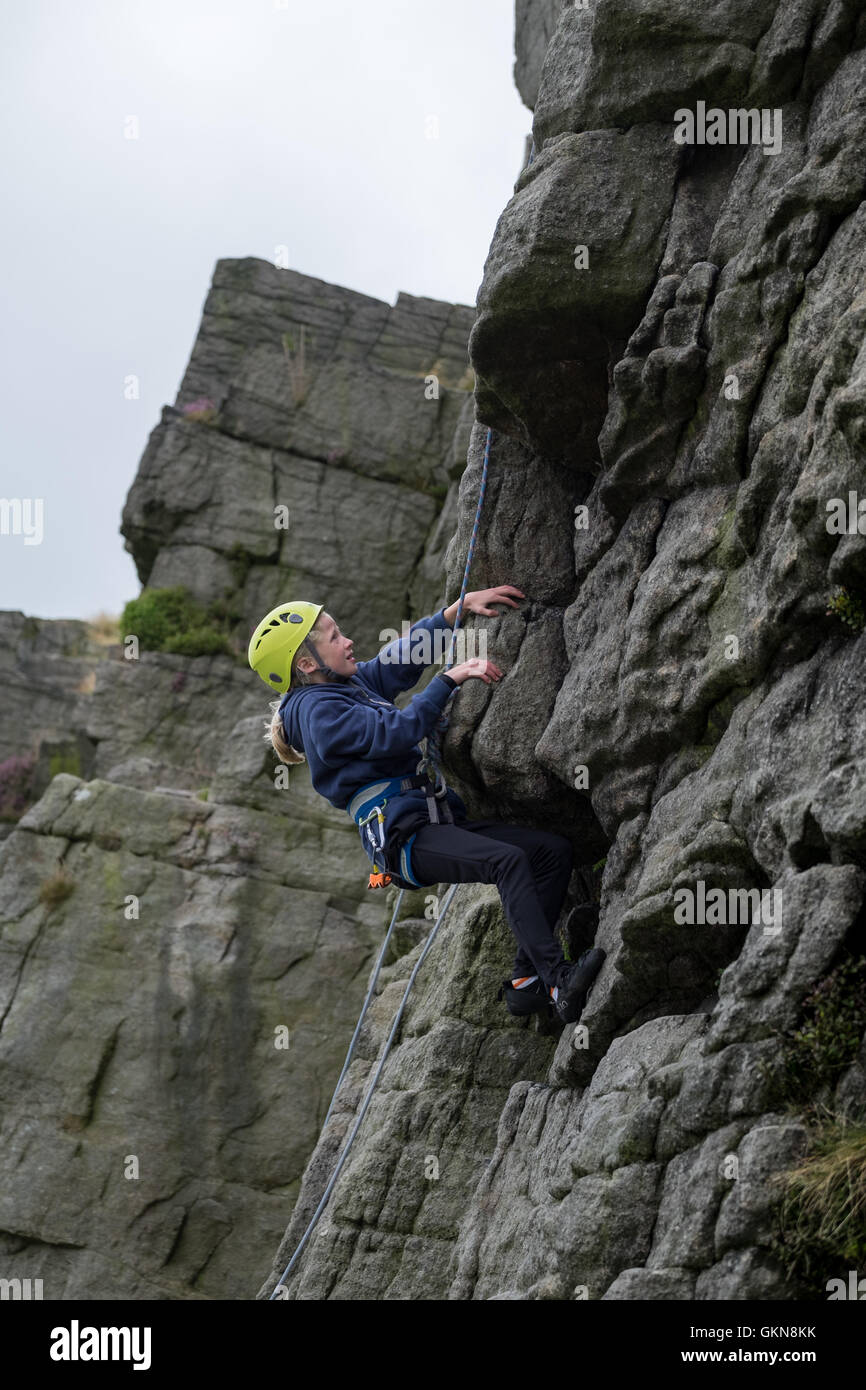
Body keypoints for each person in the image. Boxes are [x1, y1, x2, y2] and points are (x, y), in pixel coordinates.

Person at [248, 585, 604, 1024]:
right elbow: (396, 732)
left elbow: (396, 663)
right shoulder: (317, 713)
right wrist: (450, 679)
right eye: (334, 637)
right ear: (306, 663)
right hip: (406, 841)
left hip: (428, 822)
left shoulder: (342, 687)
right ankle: (559, 982)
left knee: (550, 853)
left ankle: (526, 983)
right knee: (508, 861)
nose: (348, 641)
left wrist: (454, 613)